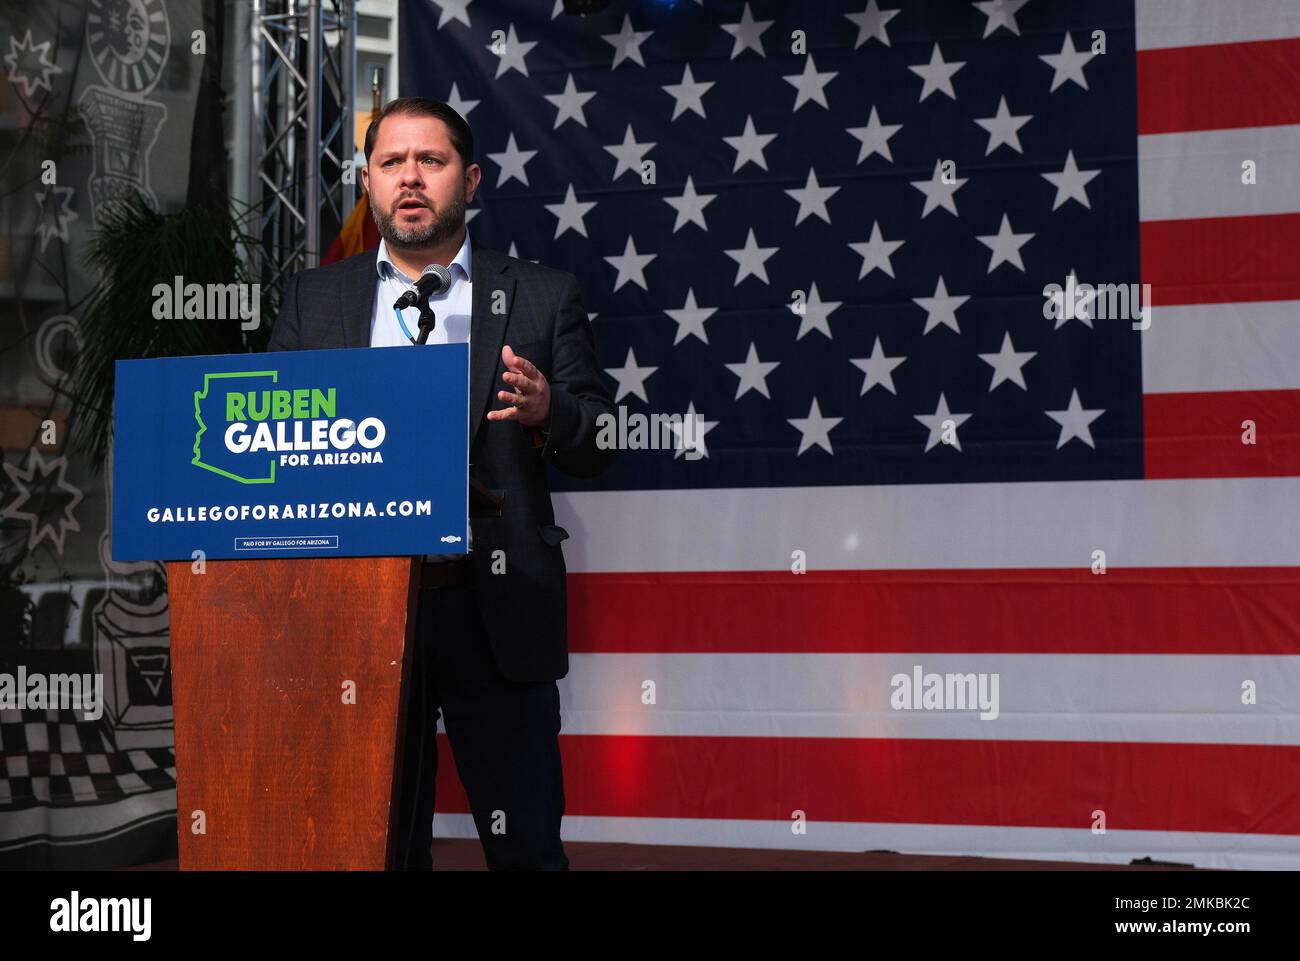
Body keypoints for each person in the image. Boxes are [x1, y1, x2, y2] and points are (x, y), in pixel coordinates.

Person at [268, 97, 616, 870]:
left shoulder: (540, 294)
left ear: (473, 177)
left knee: (524, 844)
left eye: (431, 160)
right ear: (368, 182)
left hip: (492, 603)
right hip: (361, 611)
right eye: (392, 163)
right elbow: (274, 443)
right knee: (379, 845)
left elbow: (602, 440)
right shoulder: (312, 301)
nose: (411, 178)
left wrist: (550, 408)